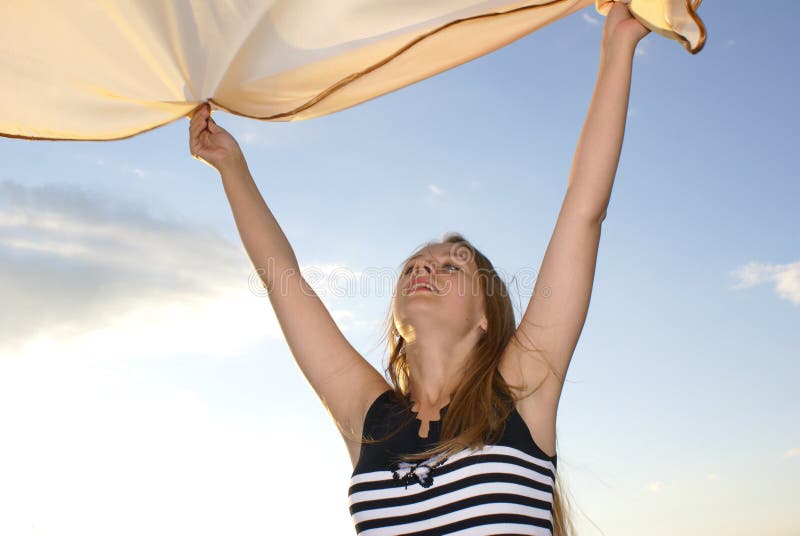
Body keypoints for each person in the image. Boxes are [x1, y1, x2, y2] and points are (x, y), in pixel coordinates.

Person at [188, 4, 649, 534]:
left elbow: (583, 210)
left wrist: (618, 45)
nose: (427, 266)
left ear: (485, 317)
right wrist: (231, 166)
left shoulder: (523, 389)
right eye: (418, 263)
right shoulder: (371, 419)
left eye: (453, 266)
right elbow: (281, 277)